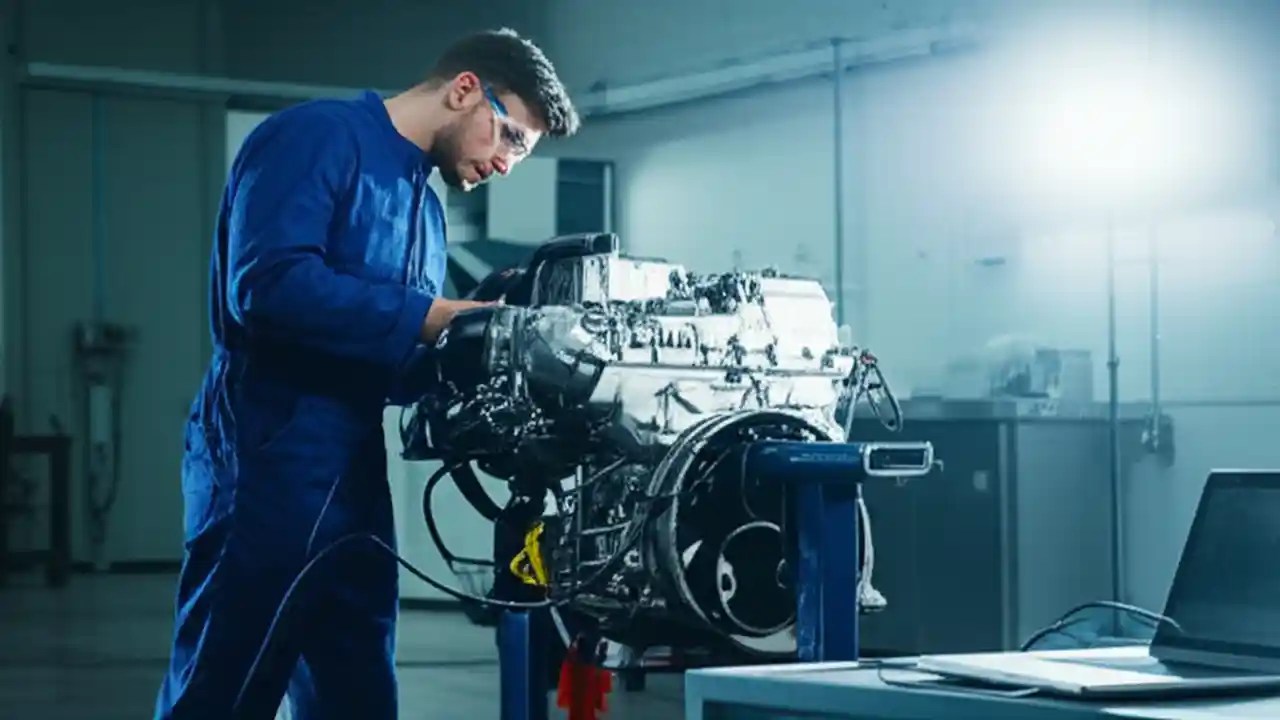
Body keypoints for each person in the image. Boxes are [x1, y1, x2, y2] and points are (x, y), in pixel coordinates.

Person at [153, 28, 579, 720]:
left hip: (353, 472)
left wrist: (484, 351)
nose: (506, 164)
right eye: (510, 138)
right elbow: (268, 287)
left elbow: (397, 355)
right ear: (465, 88)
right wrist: (435, 315)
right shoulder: (317, 137)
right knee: (224, 686)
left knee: (357, 691)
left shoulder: (426, 208)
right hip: (264, 451)